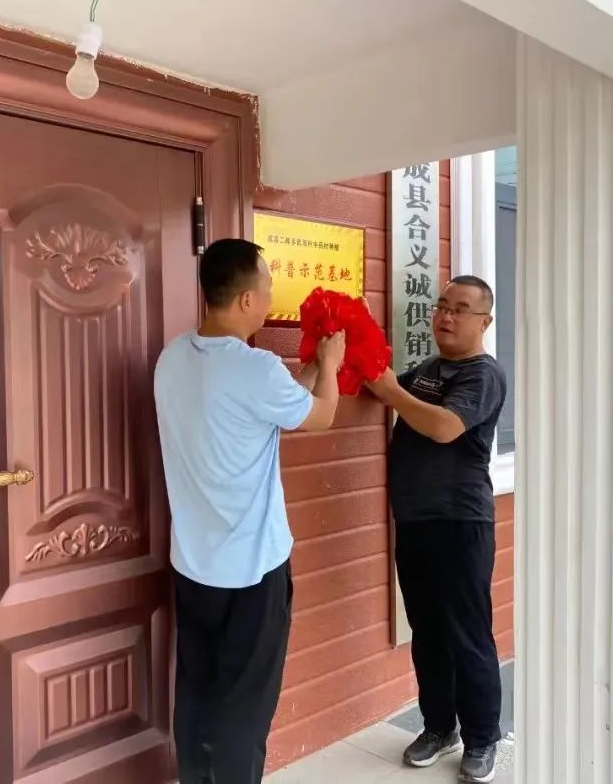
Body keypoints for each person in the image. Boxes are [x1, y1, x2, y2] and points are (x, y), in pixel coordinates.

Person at [153, 237, 346, 784]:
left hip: (194, 565)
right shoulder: (255, 368)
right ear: (244, 299)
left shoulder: (172, 358)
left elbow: (266, 405)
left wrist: (306, 373)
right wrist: (331, 365)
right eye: (266, 288)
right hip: (252, 572)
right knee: (245, 705)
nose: (268, 298)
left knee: (196, 688)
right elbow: (322, 415)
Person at [364, 275, 506, 784]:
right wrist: (350, 341)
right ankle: (439, 727)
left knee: (467, 634)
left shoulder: (483, 375)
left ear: (484, 321)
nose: (445, 315)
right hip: (416, 520)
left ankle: (483, 737)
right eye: (442, 305)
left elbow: (445, 426)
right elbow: (377, 385)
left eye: (460, 309)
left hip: (460, 523)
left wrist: (389, 391)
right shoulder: (427, 370)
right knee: (426, 631)